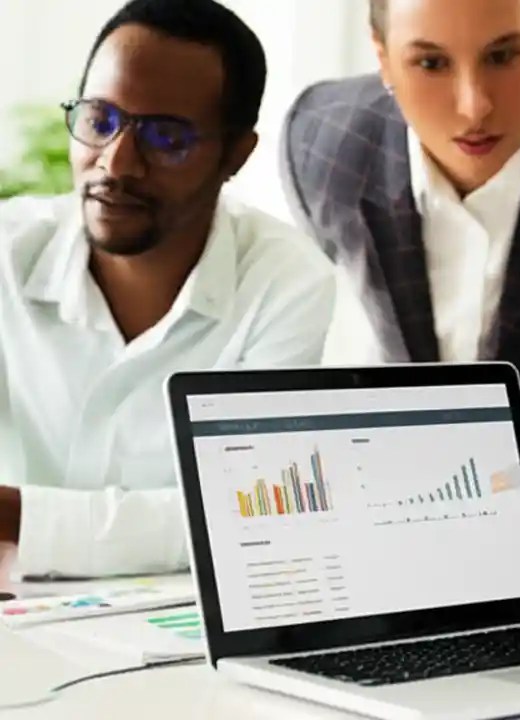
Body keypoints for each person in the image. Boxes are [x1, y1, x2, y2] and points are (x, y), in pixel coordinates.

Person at [0, 0, 336, 579]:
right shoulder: (8, 252)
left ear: (236, 154)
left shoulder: (284, 283)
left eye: (166, 137)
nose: (118, 162)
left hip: (174, 633)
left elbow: (248, 514)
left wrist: (13, 516)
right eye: (99, 118)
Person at [280, 0, 520, 440]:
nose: (474, 107)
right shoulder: (320, 142)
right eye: (431, 63)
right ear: (382, 59)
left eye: (501, 57)